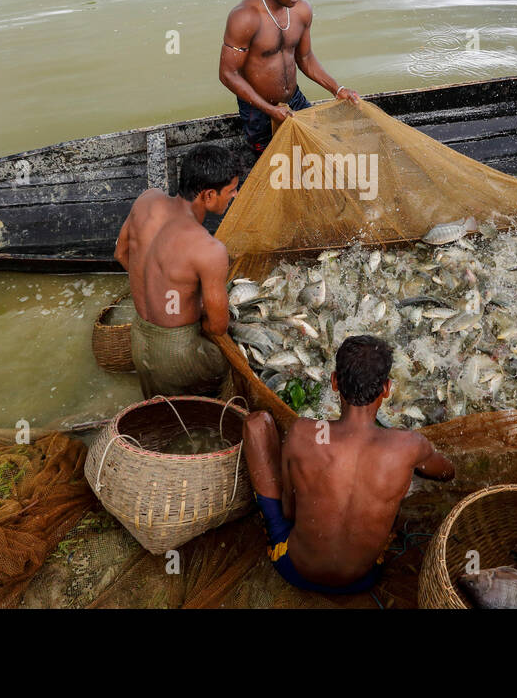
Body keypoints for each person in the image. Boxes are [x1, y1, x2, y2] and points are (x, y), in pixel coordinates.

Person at [242, 335, 455, 594]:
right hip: (363, 578)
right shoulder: (409, 445)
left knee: (257, 423)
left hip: (295, 569)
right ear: (387, 389)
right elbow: (446, 472)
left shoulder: (303, 433)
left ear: (334, 382)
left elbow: (288, 512)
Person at [112, 145, 240, 398]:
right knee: (235, 366)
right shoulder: (209, 249)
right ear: (209, 195)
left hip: (138, 339)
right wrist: (195, 307)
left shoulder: (146, 200)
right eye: (232, 190)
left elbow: (120, 253)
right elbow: (217, 326)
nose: (235, 195)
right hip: (178, 352)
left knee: (162, 411)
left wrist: (154, 288)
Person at [218, 0, 361, 155]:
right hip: (258, 109)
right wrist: (270, 110)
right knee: (271, 163)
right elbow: (228, 74)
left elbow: (305, 58)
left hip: (293, 98)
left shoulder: (301, 11)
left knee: (318, 150)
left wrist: (337, 89)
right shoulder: (245, 17)